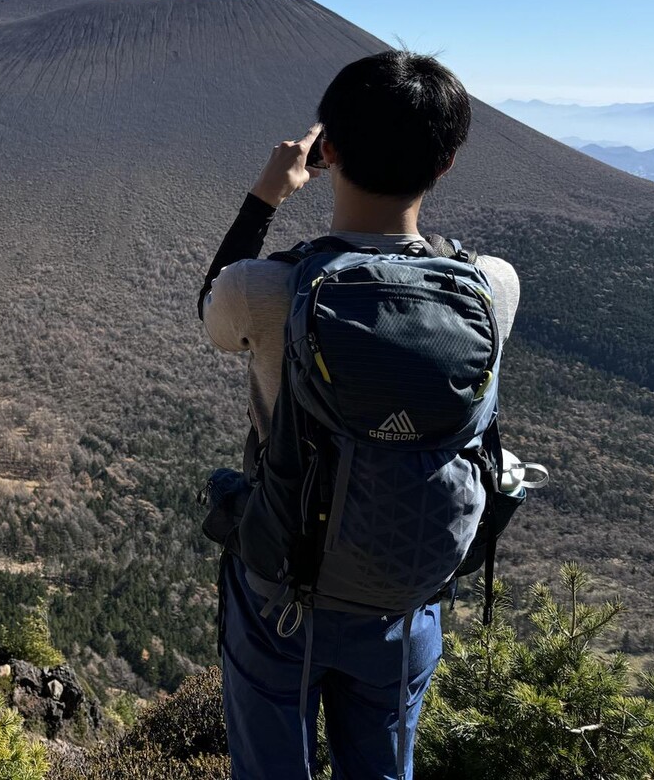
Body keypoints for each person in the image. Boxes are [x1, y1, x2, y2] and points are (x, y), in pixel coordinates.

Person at [198, 50, 520, 780]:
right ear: (446, 164)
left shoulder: (264, 290)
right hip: (408, 596)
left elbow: (209, 307)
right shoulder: (494, 288)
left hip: (286, 595)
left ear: (329, 150)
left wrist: (267, 195)